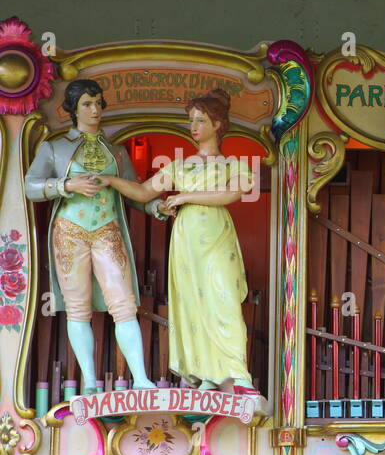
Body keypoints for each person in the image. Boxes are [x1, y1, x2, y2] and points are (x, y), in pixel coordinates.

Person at [99, 89, 258, 394]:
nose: (194, 126)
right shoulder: (179, 166)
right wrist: (112, 180)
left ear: (217, 124)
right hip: (186, 240)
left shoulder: (234, 165)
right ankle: (206, 373)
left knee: (224, 300)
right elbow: (144, 192)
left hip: (215, 235)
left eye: (200, 120)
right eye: (191, 120)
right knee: (193, 304)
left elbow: (228, 195)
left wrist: (185, 196)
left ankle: (239, 374)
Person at [24, 78, 163, 394]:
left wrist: (154, 206)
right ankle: (88, 381)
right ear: (73, 109)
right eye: (87, 103)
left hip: (107, 229)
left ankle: (140, 378)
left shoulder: (116, 152)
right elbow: (31, 185)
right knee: (77, 307)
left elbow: (132, 191)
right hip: (70, 232)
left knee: (124, 304)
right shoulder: (53, 148)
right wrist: (65, 185)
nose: (95, 109)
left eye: (98, 102)